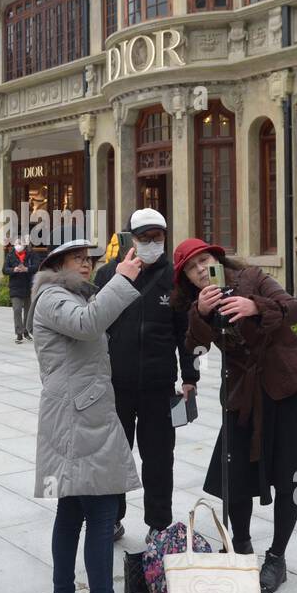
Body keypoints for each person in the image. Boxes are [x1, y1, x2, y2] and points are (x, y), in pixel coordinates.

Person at [173, 237, 297, 593]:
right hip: (244, 394)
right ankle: (241, 546)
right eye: (191, 268)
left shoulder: (252, 278)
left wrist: (254, 305)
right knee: (234, 476)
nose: (201, 270)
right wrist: (201, 313)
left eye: (204, 260)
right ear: (186, 279)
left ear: (217, 259)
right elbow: (194, 345)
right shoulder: (198, 304)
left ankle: (277, 558)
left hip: (290, 387)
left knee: (291, 476)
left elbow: (294, 310)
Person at [32, 238, 149, 593]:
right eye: (77, 259)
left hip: (81, 414)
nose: (86, 264)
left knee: (71, 511)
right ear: (57, 265)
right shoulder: (53, 297)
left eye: (89, 259)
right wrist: (122, 280)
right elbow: (88, 324)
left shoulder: (71, 296)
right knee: (101, 514)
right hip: (78, 419)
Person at [94, 209, 199, 542]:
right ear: (132, 239)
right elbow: (94, 326)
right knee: (114, 456)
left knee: (158, 459)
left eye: (157, 237)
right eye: (144, 238)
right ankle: (112, 518)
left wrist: (190, 377)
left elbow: (186, 333)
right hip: (116, 386)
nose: (152, 243)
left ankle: (158, 523)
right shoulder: (109, 274)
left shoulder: (175, 278)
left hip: (159, 385)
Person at [4, 239, 40, 342]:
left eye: (20, 243)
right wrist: (13, 270)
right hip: (15, 286)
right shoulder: (10, 255)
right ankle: (19, 333)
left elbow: (37, 266)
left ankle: (26, 331)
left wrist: (27, 269)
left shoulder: (32, 254)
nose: (18, 246)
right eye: (16, 244)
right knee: (17, 310)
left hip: (29, 286)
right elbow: (4, 269)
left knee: (28, 311)